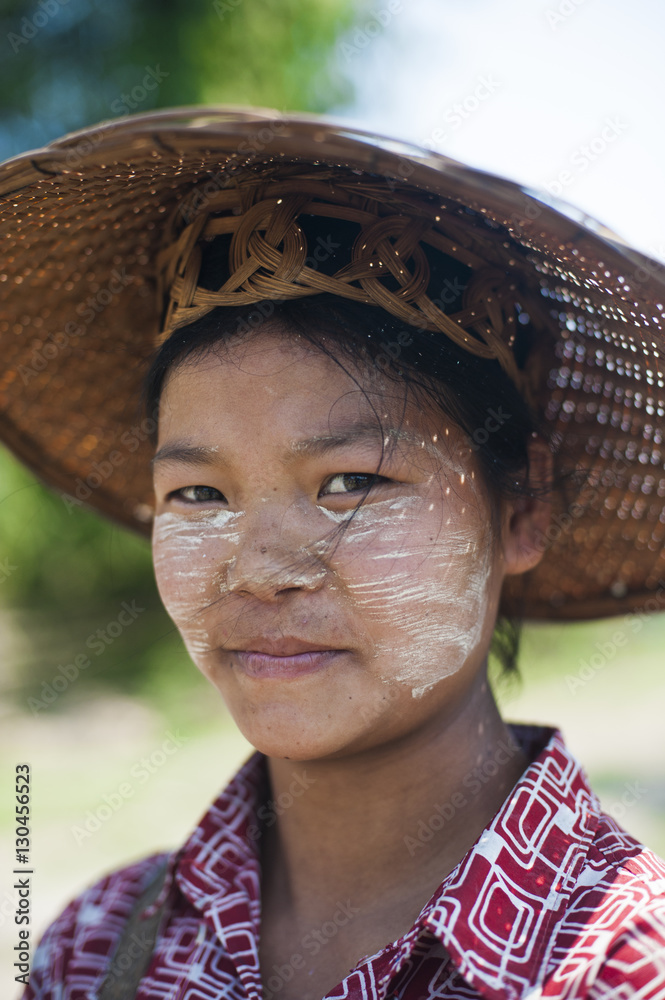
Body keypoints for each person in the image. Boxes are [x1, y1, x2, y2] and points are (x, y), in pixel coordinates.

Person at [2, 108, 664, 999]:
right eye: (199, 494)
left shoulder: (619, 966)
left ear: (522, 507)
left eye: (349, 482)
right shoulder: (95, 949)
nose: (262, 569)